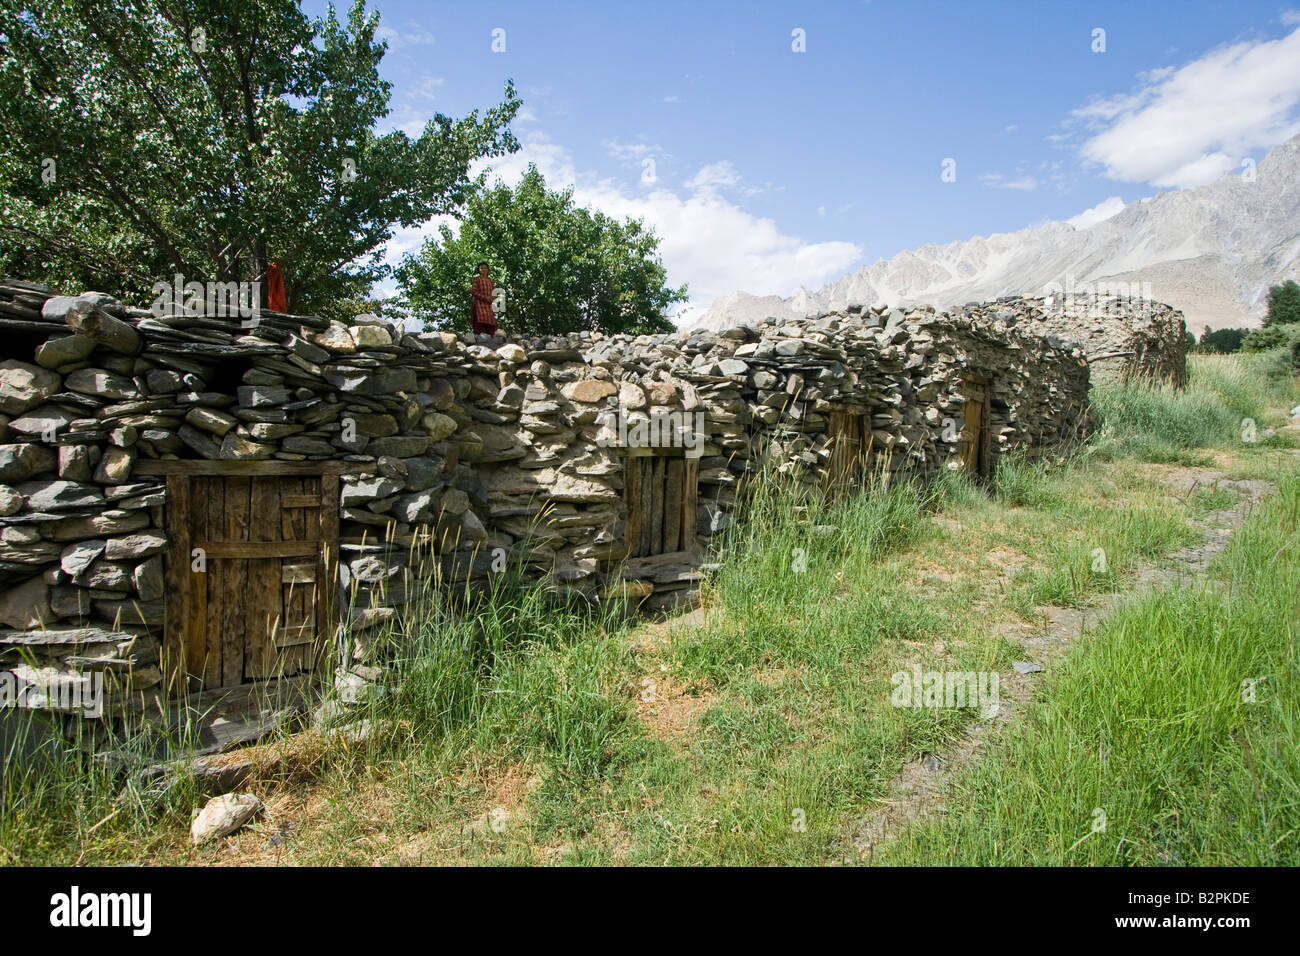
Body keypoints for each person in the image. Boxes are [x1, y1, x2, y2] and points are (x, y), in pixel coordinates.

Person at [471, 261, 497, 337]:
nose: (483, 270)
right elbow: (474, 291)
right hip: (479, 305)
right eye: (481, 268)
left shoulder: (491, 281)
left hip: (489, 306)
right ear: (479, 270)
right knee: (479, 324)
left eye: (485, 268)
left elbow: (494, 292)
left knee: (491, 324)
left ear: (488, 269)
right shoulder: (477, 279)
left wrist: (492, 298)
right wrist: (485, 298)